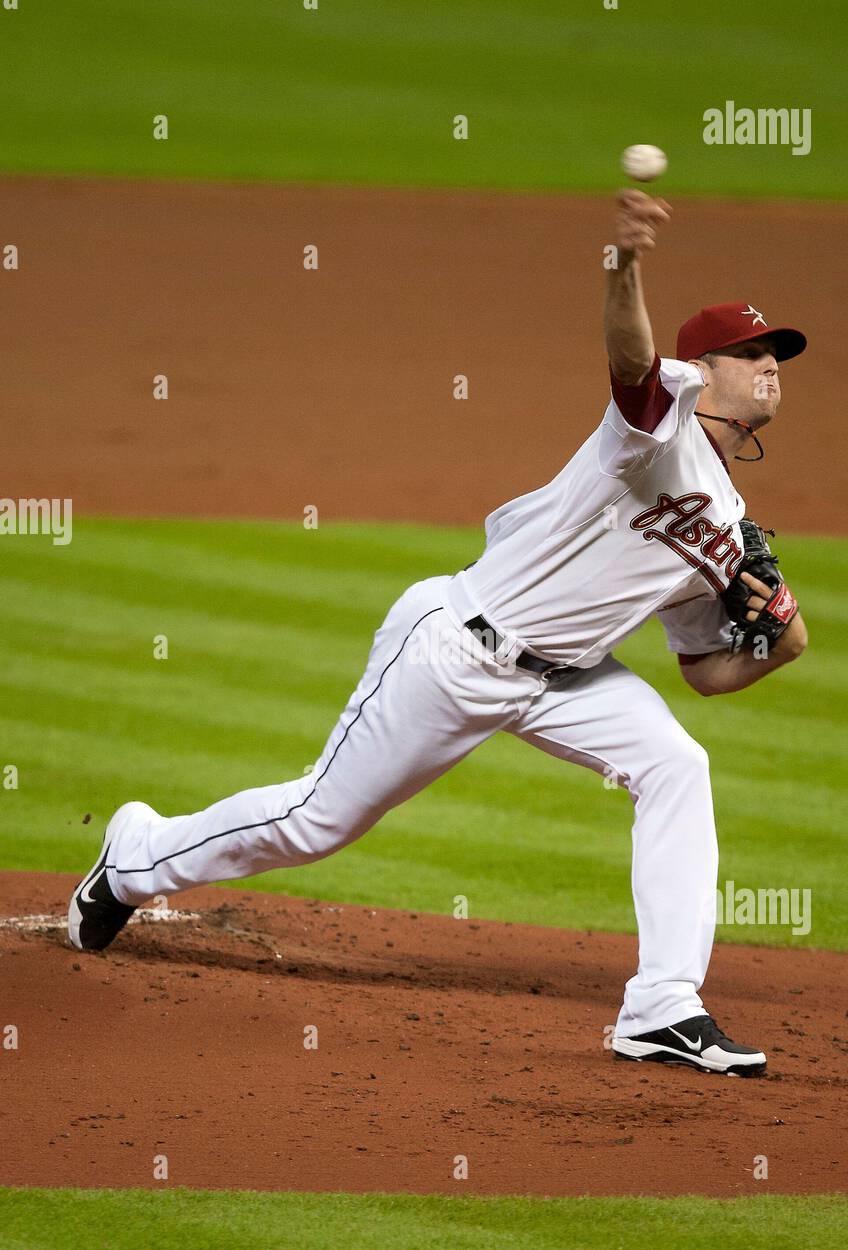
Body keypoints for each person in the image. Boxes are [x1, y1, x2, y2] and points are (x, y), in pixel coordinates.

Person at [69, 190, 808, 1076]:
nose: (771, 366)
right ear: (704, 365)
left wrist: (779, 646)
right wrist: (624, 265)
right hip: (459, 649)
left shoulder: (729, 526)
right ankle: (134, 858)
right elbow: (628, 356)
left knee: (677, 764)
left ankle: (661, 1009)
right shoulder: (659, 425)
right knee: (317, 821)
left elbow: (704, 670)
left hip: (569, 680)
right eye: (752, 351)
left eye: (779, 356)